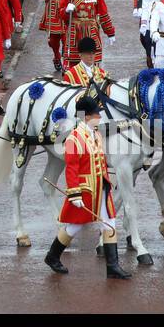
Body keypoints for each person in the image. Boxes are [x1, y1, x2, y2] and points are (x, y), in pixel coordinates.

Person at [42, 96, 129, 279]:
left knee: (110, 223)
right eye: (96, 114)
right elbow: (71, 169)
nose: (99, 116)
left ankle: (112, 266)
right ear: (87, 116)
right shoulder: (74, 138)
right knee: (74, 227)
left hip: (101, 187)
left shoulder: (95, 133)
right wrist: (75, 194)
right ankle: (52, 256)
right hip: (85, 189)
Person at [61, 0, 115, 65]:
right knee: (74, 61)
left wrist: (110, 32)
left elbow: (103, 15)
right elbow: (61, 16)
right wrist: (66, 10)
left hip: (91, 31)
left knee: (92, 61)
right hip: (75, 31)